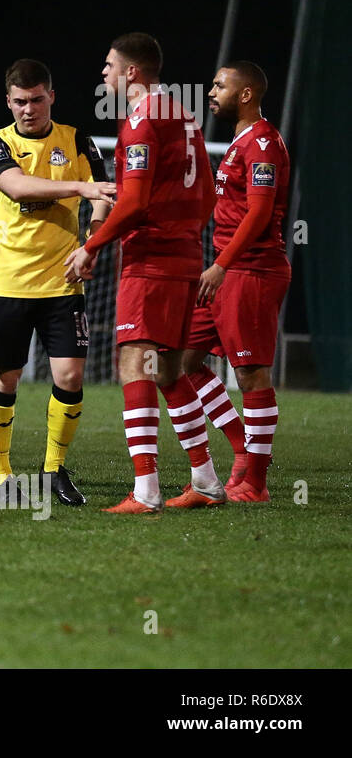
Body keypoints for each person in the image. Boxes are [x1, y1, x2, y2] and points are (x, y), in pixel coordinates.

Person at [66, 33, 220, 513]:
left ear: (132, 72)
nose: (104, 74)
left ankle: (147, 491)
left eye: (109, 65)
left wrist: (90, 246)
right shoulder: (184, 115)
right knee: (170, 370)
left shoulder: (142, 118)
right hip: (184, 256)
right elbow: (210, 194)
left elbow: (133, 202)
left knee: (134, 361)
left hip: (151, 261)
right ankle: (207, 480)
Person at [0, 58, 115, 504]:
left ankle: (53, 470)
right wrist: (79, 189)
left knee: (71, 376)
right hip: (7, 282)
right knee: (6, 379)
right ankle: (0, 477)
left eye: (37, 100)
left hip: (62, 284)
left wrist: (91, 241)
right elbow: (16, 187)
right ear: (8, 102)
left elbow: (104, 193)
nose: (28, 109)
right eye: (19, 101)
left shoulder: (76, 139)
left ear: (51, 96)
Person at [182, 61, 290, 502]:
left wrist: (221, 264)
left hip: (252, 271)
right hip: (228, 270)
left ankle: (257, 484)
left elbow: (260, 212)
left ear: (245, 94)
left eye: (220, 85)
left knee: (250, 375)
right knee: (184, 359)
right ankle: (241, 449)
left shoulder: (263, 142)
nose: (211, 91)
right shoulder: (239, 142)